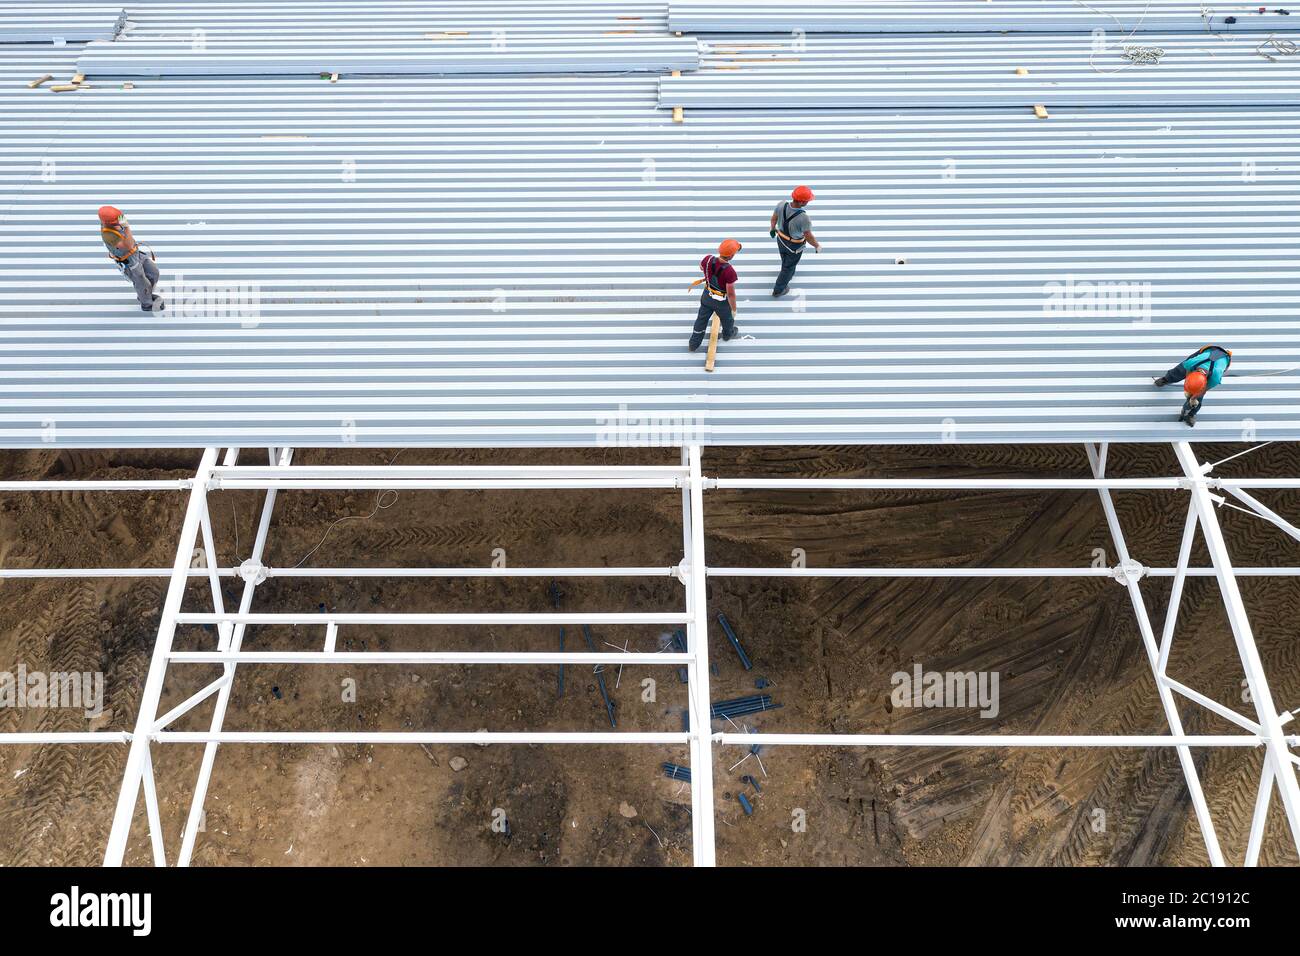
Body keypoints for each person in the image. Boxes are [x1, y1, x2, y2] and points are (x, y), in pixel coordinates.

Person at [99, 205, 163, 311]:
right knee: (142, 282)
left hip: (135, 253)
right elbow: (127, 245)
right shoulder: (108, 235)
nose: (120, 220)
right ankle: (147, 304)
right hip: (129, 261)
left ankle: (145, 295)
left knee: (153, 272)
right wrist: (127, 227)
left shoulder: (113, 223)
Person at [1153, 345, 1232, 426]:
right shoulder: (1192, 362)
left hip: (1223, 358)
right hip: (1209, 351)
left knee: (1197, 399)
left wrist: (1193, 398)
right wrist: (1187, 386)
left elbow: (1203, 391)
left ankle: (1190, 414)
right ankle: (1166, 379)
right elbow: (1187, 370)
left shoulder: (1215, 377)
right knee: (1180, 370)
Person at [688, 239, 741, 353]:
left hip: (707, 296)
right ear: (731, 256)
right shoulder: (730, 272)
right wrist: (734, 309)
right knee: (727, 319)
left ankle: (693, 344)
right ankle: (727, 334)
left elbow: (701, 267)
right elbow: (731, 294)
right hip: (721, 302)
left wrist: (710, 272)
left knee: (701, 320)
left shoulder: (708, 259)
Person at [769, 185, 821, 297]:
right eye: (807, 200)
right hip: (794, 246)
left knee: (785, 258)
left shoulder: (781, 204)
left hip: (781, 239)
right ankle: (778, 290)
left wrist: (773, 229)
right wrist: (817, 246)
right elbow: (808, 236)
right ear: (802, 202)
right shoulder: (804, 218)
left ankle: (788, 272)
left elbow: (773, 218)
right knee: (788, 267)